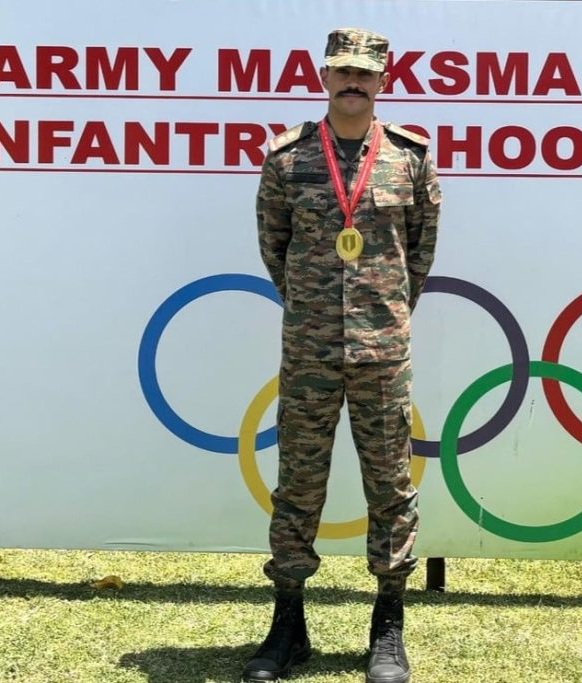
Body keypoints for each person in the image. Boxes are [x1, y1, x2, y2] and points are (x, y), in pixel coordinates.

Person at [245, 26, 441, 683]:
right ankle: (287, 624)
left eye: (365, 72)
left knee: (390, 485)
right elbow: (275, 248)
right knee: (298, 485)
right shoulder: (287, 158)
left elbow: (419, 254)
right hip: (310, 349)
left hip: (383, 352)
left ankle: (387, 626)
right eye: (343, 70)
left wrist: (381, 313)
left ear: (384, 80)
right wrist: (315, 309)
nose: (353, 81)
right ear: (324, 76)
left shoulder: (410, 158)